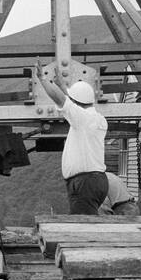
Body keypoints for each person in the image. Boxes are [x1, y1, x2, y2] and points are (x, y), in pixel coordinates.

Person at [37, 68, 109, 215]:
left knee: (84, 227)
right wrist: (62, 85)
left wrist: (43, 79)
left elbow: (61, 100)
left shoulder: (81, 118)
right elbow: (72, 100)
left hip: (85, 183)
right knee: (87, 222)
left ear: (76, 103)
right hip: (96, 180)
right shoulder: (98, 119)